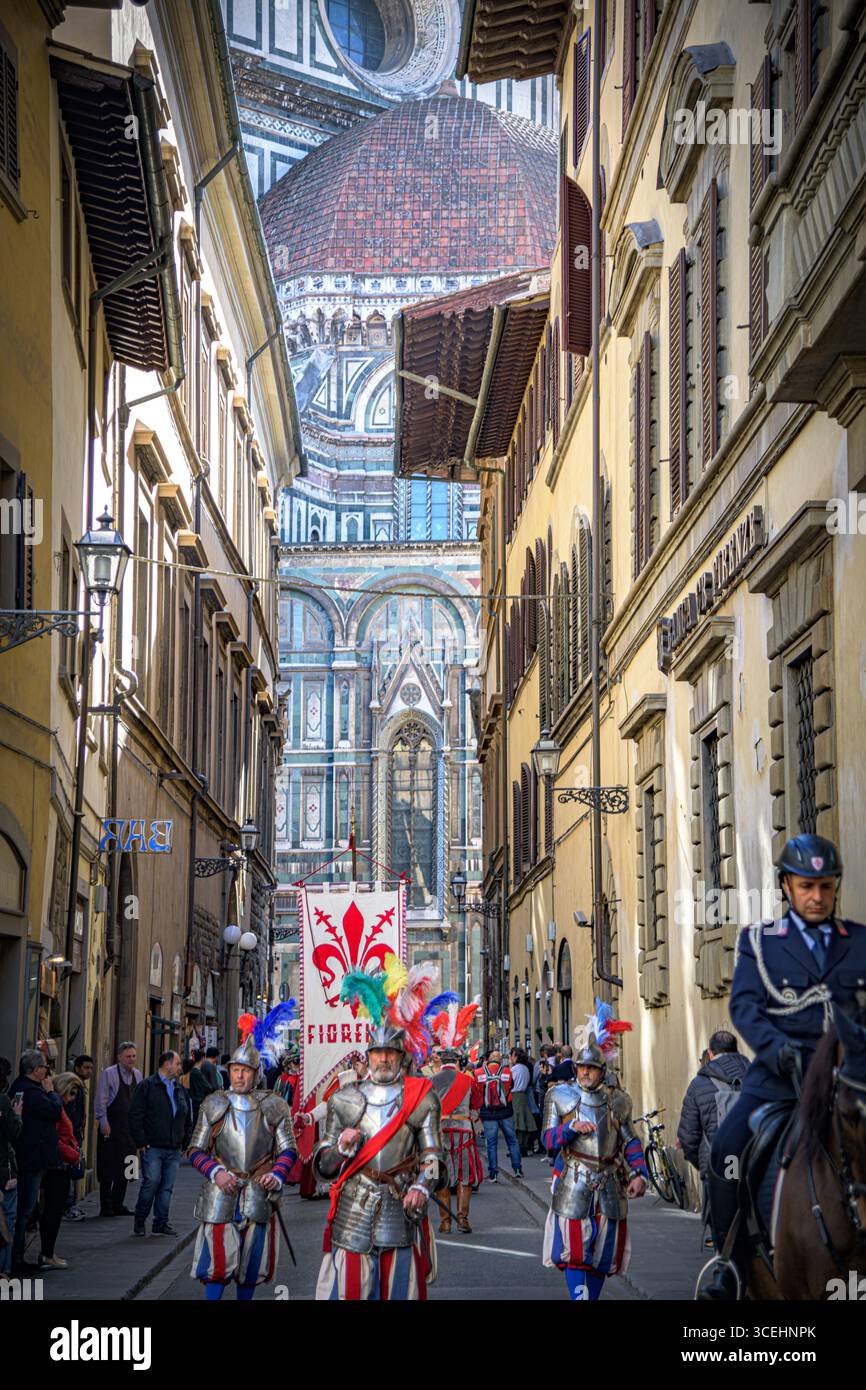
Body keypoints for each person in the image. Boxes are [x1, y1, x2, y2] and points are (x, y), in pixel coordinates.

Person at [699, 834, 866, 1299]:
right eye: (807, 886)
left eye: (826, 887)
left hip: (849, 1079)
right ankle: (729, 1266)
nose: (817, 896)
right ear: (787, 887)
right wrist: (779, 1051)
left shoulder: (860, 942)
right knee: (726, 1150)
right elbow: (747, 1007)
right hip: (780, 1080)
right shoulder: (760, 942)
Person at [314, 955, 444, 1300]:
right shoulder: (345, 1099)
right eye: (378, 1053)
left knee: (399, 1291)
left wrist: (422, 1186)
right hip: (353, 1207)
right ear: (368, 1055)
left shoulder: (421, 1098)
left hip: (399, 1203)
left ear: (402, 1056)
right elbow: (323, 1165)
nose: (383, 1059)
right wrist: (340, 1148)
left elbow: (432, 1155)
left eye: (391, 1053)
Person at [542, 1001, 646, 1301]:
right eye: (582, 1067)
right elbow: (547, 1139)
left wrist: (639, 1172)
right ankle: (581, 1298)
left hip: (610, 1181)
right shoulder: (559, 1095)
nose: (586, 1072)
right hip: (574, 1178)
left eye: (591, 1068)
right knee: (574, 1250)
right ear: (575, 1068)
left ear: (602, 1071)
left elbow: (631, 1140)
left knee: (603, 1254)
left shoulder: (618, 1100)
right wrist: (569, 1130)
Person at [188, 1032, 297, 1300]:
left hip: (259, 1190)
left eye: (245, 1071)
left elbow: (288, 1149)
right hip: (221, 1191)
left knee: (251, 1264)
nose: (239, 1076)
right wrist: (216, 1172)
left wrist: (277, 1174)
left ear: (255, 1072)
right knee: (216, 1264)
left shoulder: (274, 1105)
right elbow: (195, 1150)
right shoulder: (214, 1103)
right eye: (235, 1070)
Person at [677, 1030, 749, 1235]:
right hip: (753, 1161)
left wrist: (704, 1164)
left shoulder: (699, 1084)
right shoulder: (756, 1076)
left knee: (722, 1228)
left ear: (710, 1053)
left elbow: (688, 1137)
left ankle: (725, 1262)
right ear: (736, 1050)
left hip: (719, 1166)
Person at [430, 999, 483, 1234]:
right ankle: (463, 1219)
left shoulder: (429, 1082)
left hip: (439, 1133)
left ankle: (445, 1222)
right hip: (463, 1133)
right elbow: (476, 1106)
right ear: (458, 1059)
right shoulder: (469, 1080)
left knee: (440, 1175)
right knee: (465, 1176)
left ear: (441, 1059)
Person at [8, 1049, 62, 1275]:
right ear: (34, 1069)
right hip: (32, 1159)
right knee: (23, 1211)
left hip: (31, 1157)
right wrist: (52, 1093)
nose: (46, 1071)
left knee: (26, 1211)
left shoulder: (21, 1088)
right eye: (44, 1067)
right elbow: (54, 1111)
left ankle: (16, 1258)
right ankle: (15, 1260)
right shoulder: (31, 1092)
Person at [129, 1051, 192, 1237]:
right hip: (153, 1146)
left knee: (167, 1187)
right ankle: (140, 1220)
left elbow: (186, 1117)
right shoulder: (147, 1086)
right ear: (167, 1064)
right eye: (178, 1063)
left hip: (174, 1147)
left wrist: (185, 1141)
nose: (181, 1067)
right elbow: (135, 1114)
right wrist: (140, 1141)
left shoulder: (180, 1089)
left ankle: (161, 1222)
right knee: (151, 1182)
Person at [38, 1072, 82, 1271]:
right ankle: (47, 1254)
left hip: (61, 1163)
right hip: (58, 1165)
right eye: (71, 1093)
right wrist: (72, 1154)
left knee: (54, 1211)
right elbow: (53, 1138)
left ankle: (49, 1252)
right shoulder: (55, 1107)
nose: (73, 1098)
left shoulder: (61, 1107)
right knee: (53, 1211)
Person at [94, 1042, 142, 1217]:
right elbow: (101, 1100)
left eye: (134, 1056)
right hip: (112, 1128)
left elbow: (140, 1102)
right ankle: (106, 1206)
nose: (131, 1060)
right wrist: (103, 1121)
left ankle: (119, 1204)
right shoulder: (109, 1074)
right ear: (119, 1057)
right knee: (108, 1167)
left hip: (130, 1130)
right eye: (128, 1056)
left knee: (128, 1167)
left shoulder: (138, 1075)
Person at [474, 1049, 523, 1182]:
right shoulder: (508, 1072)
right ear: (500, 1060)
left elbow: (477, 1093)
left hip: (488, 1113)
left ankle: (493, 1173)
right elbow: (510, 1087)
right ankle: (517, 1169)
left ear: (488, 1059)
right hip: (506, 1112)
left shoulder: (478, 1073)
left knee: (491, 1144)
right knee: (512, 1141)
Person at [0, 1057, 23, 1278]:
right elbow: (13, 1133)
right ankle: (4, 1269)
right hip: (3, 1170)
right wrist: (17, 1116)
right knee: (6, 1219)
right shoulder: (2, 1102)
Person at [63, 1054, 93, 1221]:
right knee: (70, 1171)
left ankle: (71, 1204)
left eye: (90, 1068)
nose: (89, 1071)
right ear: (76, 1068)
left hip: (75, 1134)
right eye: (86, 1068)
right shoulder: (73, 1086)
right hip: (71, 1136)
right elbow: (72, 1112)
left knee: (74, 1170)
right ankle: (68, 1205)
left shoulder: (80, 1086)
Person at [510, 1048, 539, 1157]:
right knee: (524, 1121)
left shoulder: (515, 1069)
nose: (511, 1058)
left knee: (518, 1122)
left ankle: (519, 1146)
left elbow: (510, 1082)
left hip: (516, 1095)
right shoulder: (525, 1068)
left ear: (516, 1057)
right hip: (523, 1095)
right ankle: (524, 1146)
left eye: (512, 1055)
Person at [187, 1050, 216, 1128]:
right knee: (198, 1126)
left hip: (195, 1101)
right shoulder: (197, 1072)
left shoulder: (194, 1071)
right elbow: (208, 1087)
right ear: (203, 1058)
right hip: (199, 1102)